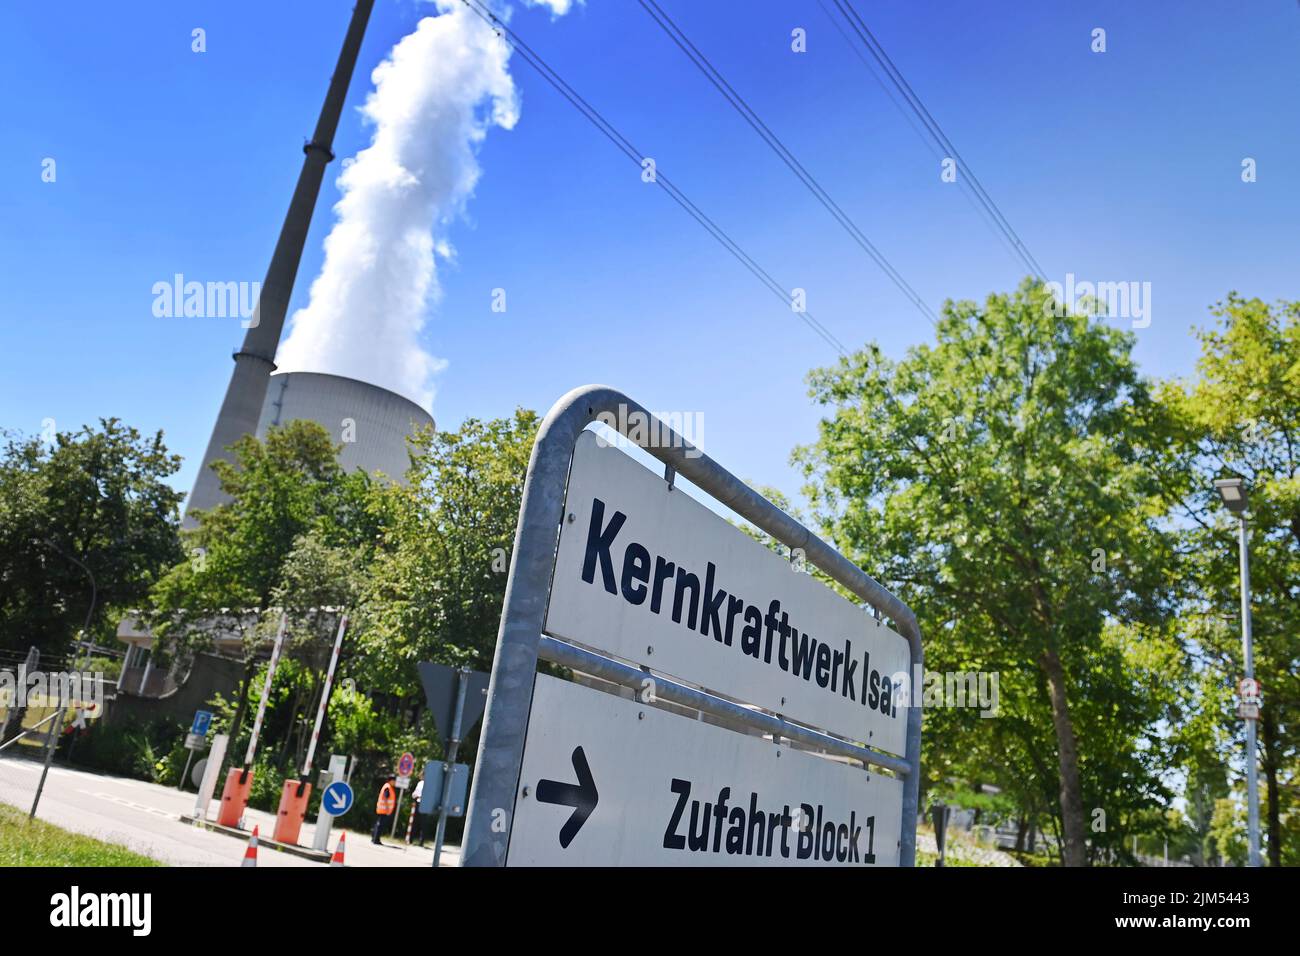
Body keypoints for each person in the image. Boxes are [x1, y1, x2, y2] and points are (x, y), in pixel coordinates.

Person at [372, 773, 396, 845]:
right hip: (384, 809)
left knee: (378, 824)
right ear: (390, 780)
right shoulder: (388, 787)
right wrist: (387, 808)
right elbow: (385, 798)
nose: (395, 782)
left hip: (383, 809)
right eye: (394, 780)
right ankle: (376, 839)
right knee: (380, 825)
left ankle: (374, 838)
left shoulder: (388, 787)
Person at [411, 772, 427, 846]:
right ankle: (411, 839)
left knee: (423, 823)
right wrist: (415, 795)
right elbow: (415, 793)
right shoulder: (420, 783)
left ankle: (421, 842)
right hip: (417, 802)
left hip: (424, 803)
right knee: (414, 822)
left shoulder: (428, 783)